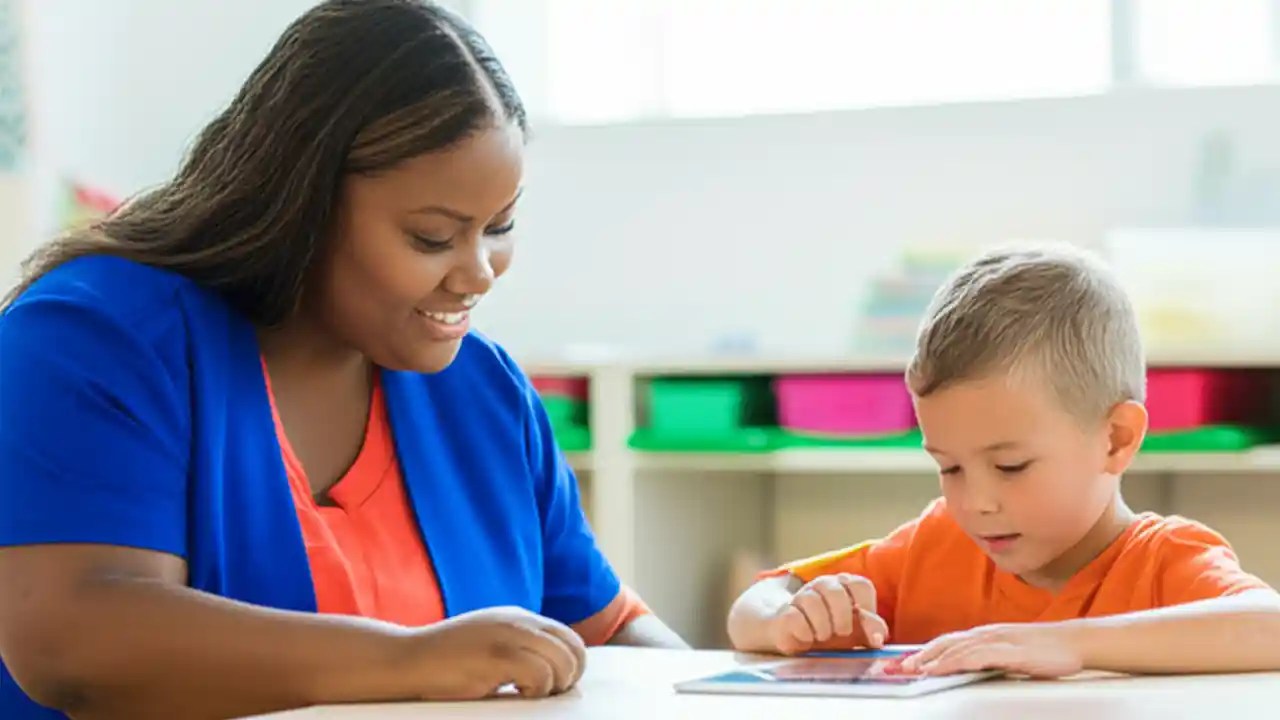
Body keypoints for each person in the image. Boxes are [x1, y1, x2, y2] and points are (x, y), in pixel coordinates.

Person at [0, 2, 685, 718]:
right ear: (303, 202)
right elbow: (72, 641)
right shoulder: (93, 337)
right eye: (432, 237)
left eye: (499, 226)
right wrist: (411, 660)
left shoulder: (483, 391)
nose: (480, 273)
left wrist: (746, 665)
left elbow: (605, 634)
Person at [727, 243, 1280, 677]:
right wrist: (787, 624)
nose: (975, 502)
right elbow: (756, 603)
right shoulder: (934, 546)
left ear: (1115, 439)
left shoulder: (1161, 560)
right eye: (949, 467)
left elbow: (1270, 627)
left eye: (1010, 466)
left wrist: (1068, 644)